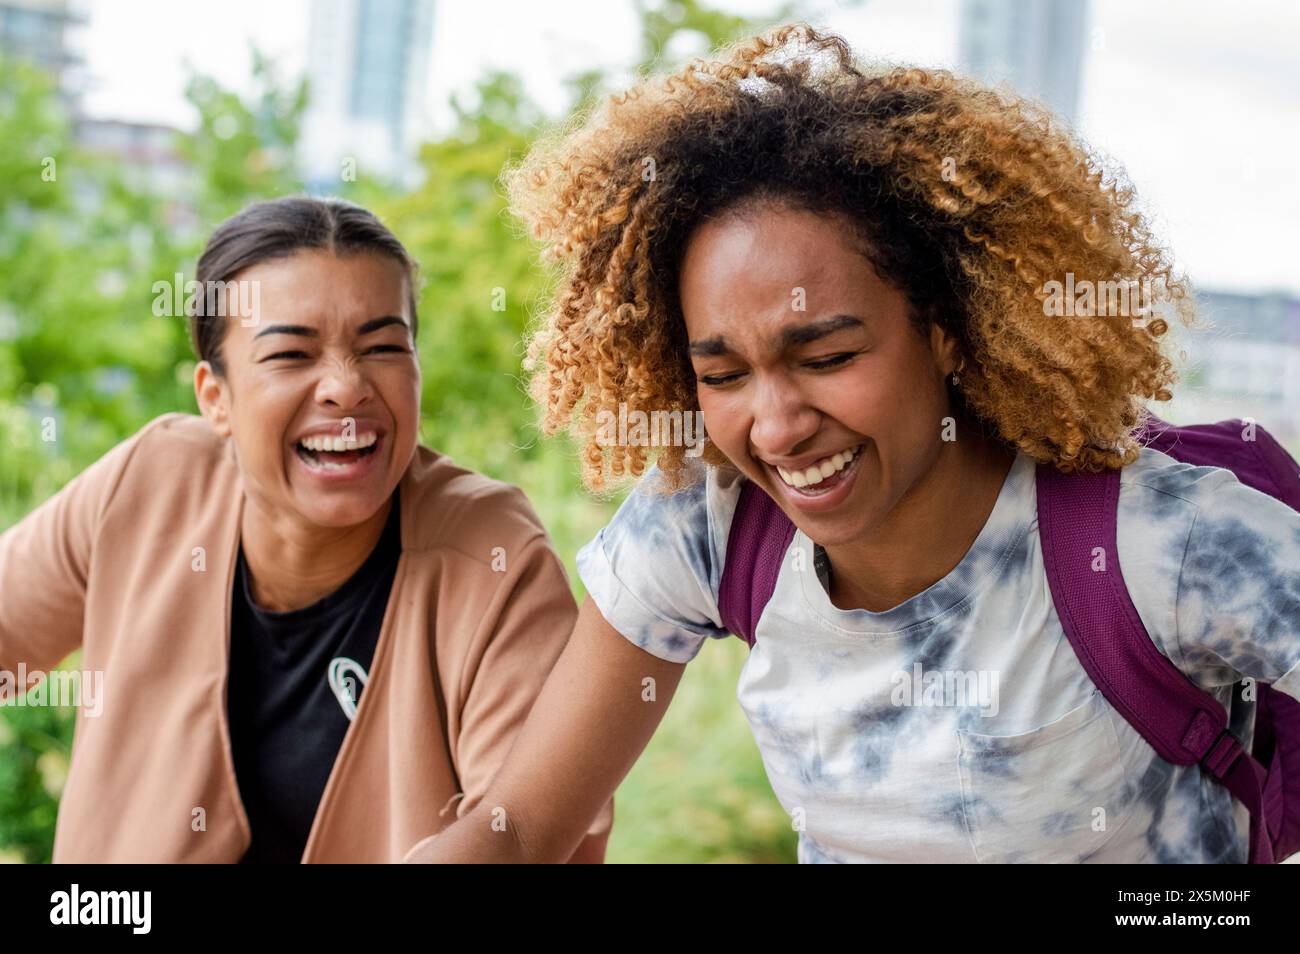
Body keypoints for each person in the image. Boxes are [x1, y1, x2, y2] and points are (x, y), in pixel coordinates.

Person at [405, 23, 1300, 863]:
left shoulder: (1163, 542)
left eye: (827, 355)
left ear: (947, 328)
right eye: (722, 376)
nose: (777, 425)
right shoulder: (709, 523)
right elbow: (517, 829)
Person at [0, 196, 612, 863]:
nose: (346, 388)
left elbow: (528, 834)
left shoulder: (490, 552)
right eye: (291, 354)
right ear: (215, 398)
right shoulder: (150, 485)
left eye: (383, 347)